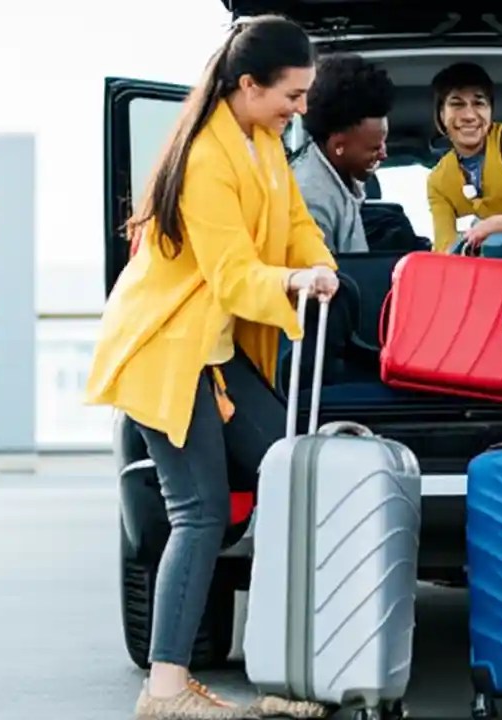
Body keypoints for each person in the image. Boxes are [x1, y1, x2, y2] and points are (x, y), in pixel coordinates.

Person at [85, 16, 340, 720]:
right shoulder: (204, 158)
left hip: (216, 356)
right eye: (293, 94)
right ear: (248, 85)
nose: (302, 108)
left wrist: (318, 261)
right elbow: (232, 277)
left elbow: (293, 225)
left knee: (293, 481)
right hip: (168, 351)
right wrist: (292, 284)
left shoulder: (262, 143)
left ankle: (281, 674)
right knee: (197, 515)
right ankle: (164, 690)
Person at [425, 61, 502, 254]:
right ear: (441, 114)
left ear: (490, 111)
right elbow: (444, 246)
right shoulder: (438, 182)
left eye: (479, 103)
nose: (469, 115)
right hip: (494, 268)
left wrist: (492, 230)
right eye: (457, 104)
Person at [291, 52, 395, 254]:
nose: (384, 155)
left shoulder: (341, 181)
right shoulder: (311, 203)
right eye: (374, 148)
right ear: (339, 145)